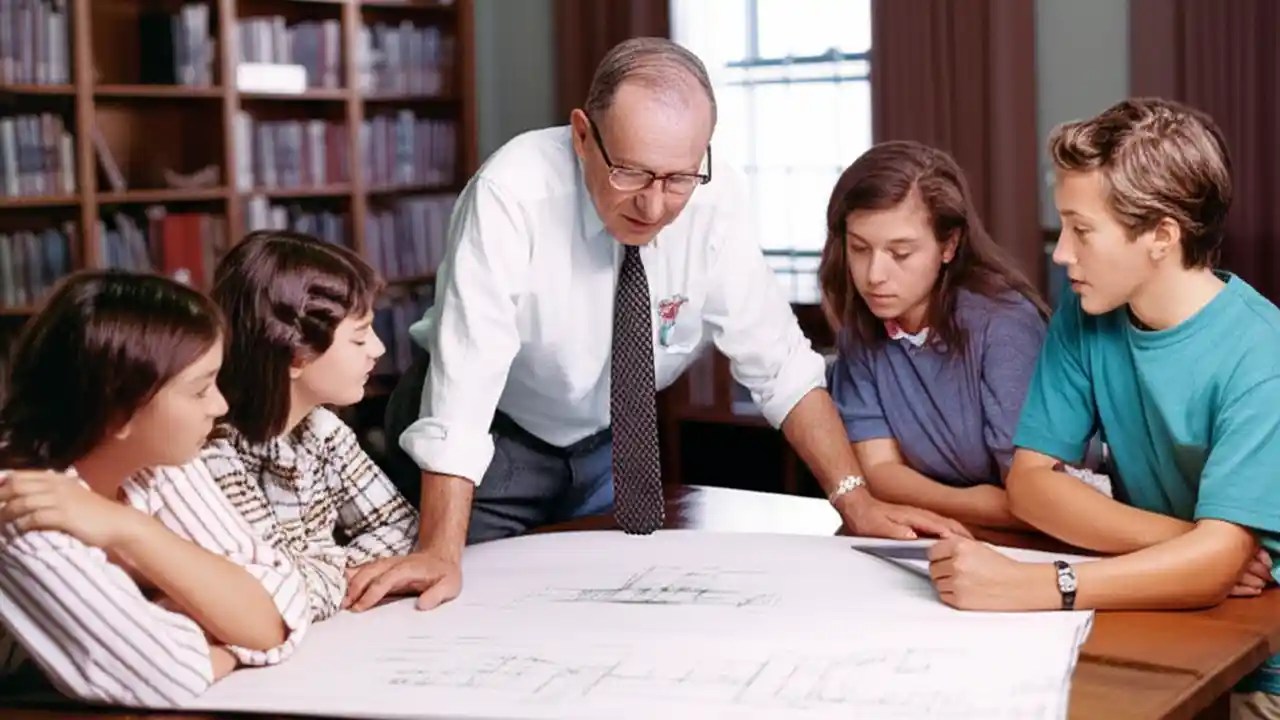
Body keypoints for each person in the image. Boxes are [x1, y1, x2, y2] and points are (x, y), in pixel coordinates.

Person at [354, 36, 967, 614]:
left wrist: (853, 499)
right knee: (460, 610)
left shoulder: (715, 194)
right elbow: (467, 381)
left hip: (604, 444)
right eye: (632, 174)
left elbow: (777, 363)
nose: (653, 206)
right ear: (582, 136)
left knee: (601, 613)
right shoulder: (512, 194)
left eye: (677, 179)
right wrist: (438, 549)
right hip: (487, 440)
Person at [924, 98, 1280, 719]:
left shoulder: (1263, 355)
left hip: (1264, 666)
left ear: (1162, 238)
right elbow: (1031, 484)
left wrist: (1033, 585)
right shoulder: (1084, 313)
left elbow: (1221, 568)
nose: (1062, 253)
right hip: (1153, 619)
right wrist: (1197, 548)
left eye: (1081, 230)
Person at [0, 271, 309, 706]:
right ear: (119, 410)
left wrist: (128, 529)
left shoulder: (158, 455)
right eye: (200, 390)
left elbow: (278, 609)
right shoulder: (20, 502)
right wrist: (213, 625)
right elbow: (166, 677)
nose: (220, 407)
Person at [821, 141, 1049, 531]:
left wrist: (930, 500)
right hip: (946, 532)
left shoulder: (1004, 325)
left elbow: (1037, 499)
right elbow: (878, 471)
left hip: (1037, 542)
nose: (874, 275)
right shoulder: (863, 328)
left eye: (901, 253)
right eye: (860, 248)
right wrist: (970, 503)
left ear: (949, 245)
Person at [199, 230, 419, 622]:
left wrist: (321, 570)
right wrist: (346, 573)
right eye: (358, 338)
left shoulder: (322, 430)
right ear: (296, 355)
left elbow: (403, 528)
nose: (379, 349)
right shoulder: (216, 455)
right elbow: (277, 593)